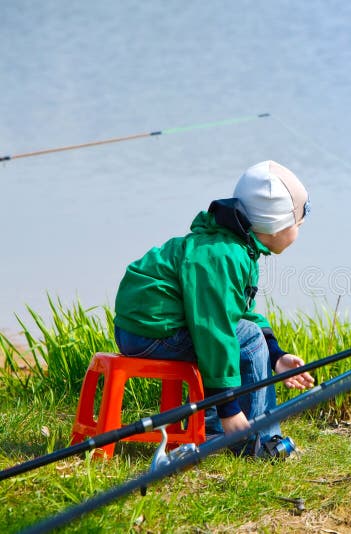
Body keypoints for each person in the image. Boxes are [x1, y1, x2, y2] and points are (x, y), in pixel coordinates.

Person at [113, 160, 314, 457]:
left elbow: (239, 312)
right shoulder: (225, 256)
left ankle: (223, 428)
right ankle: (255, 439)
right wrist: (228, 407)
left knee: (250, 335)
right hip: (151, 333)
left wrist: (277, 356)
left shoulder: (236, 247)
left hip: (144, 329)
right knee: (248, 339)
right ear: (276, 224)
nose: (300, 225)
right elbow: (214, 332)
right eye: (299, 220)